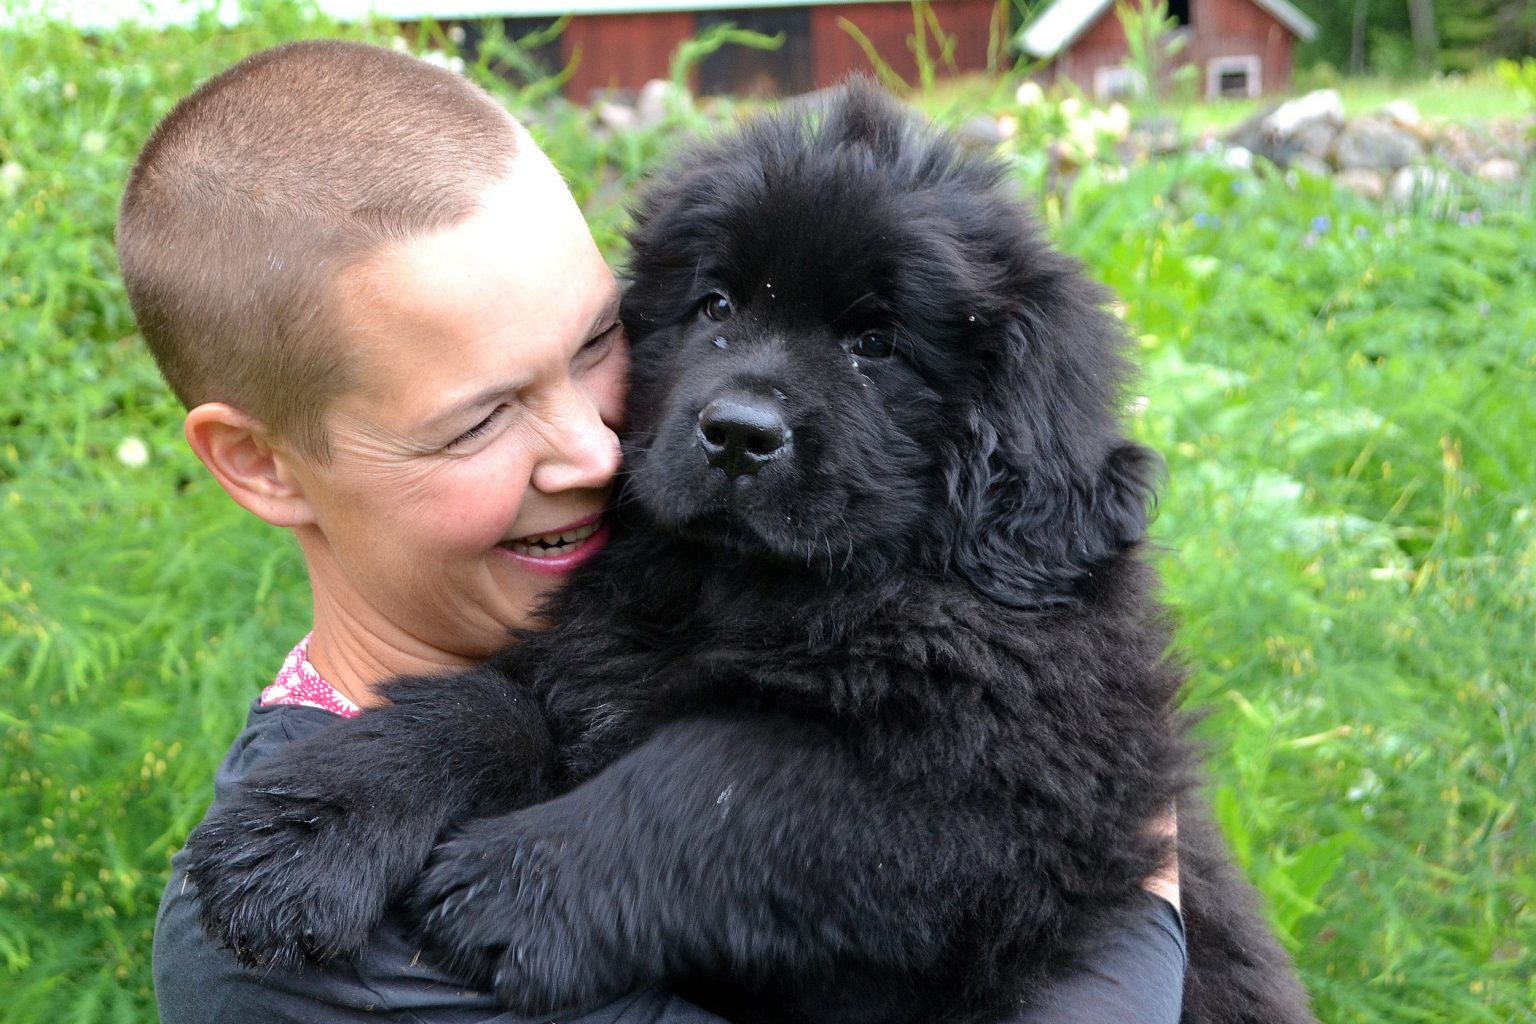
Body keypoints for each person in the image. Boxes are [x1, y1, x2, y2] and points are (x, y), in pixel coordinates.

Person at [118, 39, 1186, 1024]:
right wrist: (1146, 932)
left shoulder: (933, 636)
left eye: (595, 346)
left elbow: (957, 791)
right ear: (261, 462)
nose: (593, 449)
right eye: (480, 417)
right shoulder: (297, 976)